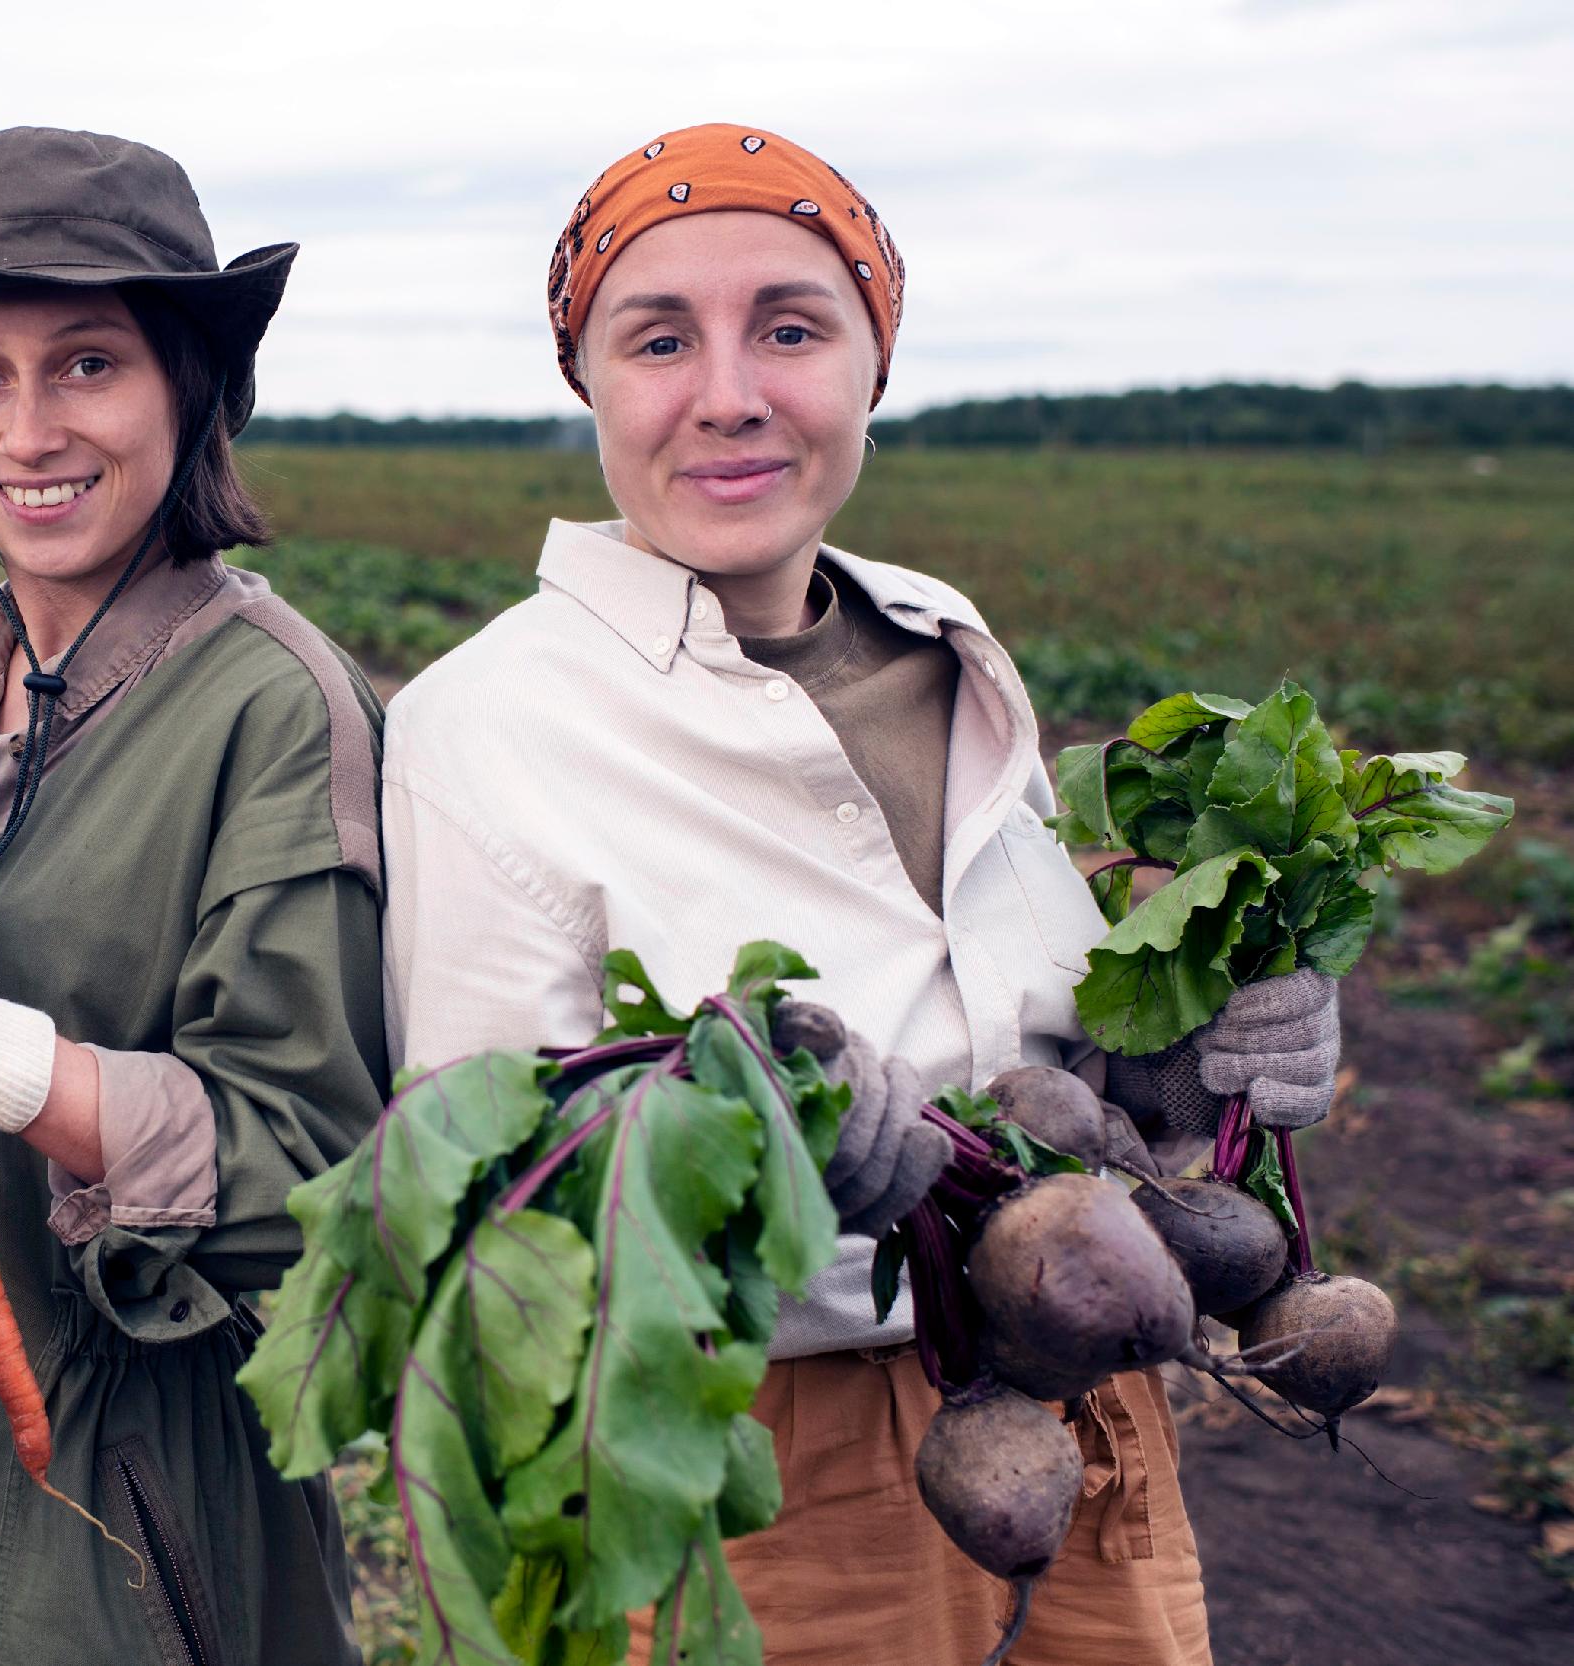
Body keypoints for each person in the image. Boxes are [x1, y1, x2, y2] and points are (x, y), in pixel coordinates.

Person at [378, 123, 1342, 1665]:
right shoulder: (481, 725)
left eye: (791, 326)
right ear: (590, 384)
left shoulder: (945, 649)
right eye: (660, 338)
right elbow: (499, 1210)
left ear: (872, 363)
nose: (731, 393)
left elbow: (1043, 1041)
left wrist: (1206, 1054)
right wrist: (751, 1174)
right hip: (767, 1470)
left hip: (1085, 1402)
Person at [0, 127, 386, 1666]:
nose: (27, 429)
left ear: (189, 389)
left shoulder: (276, 705)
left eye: (87, 364)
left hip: (134, 1490)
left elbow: (317, 1183)